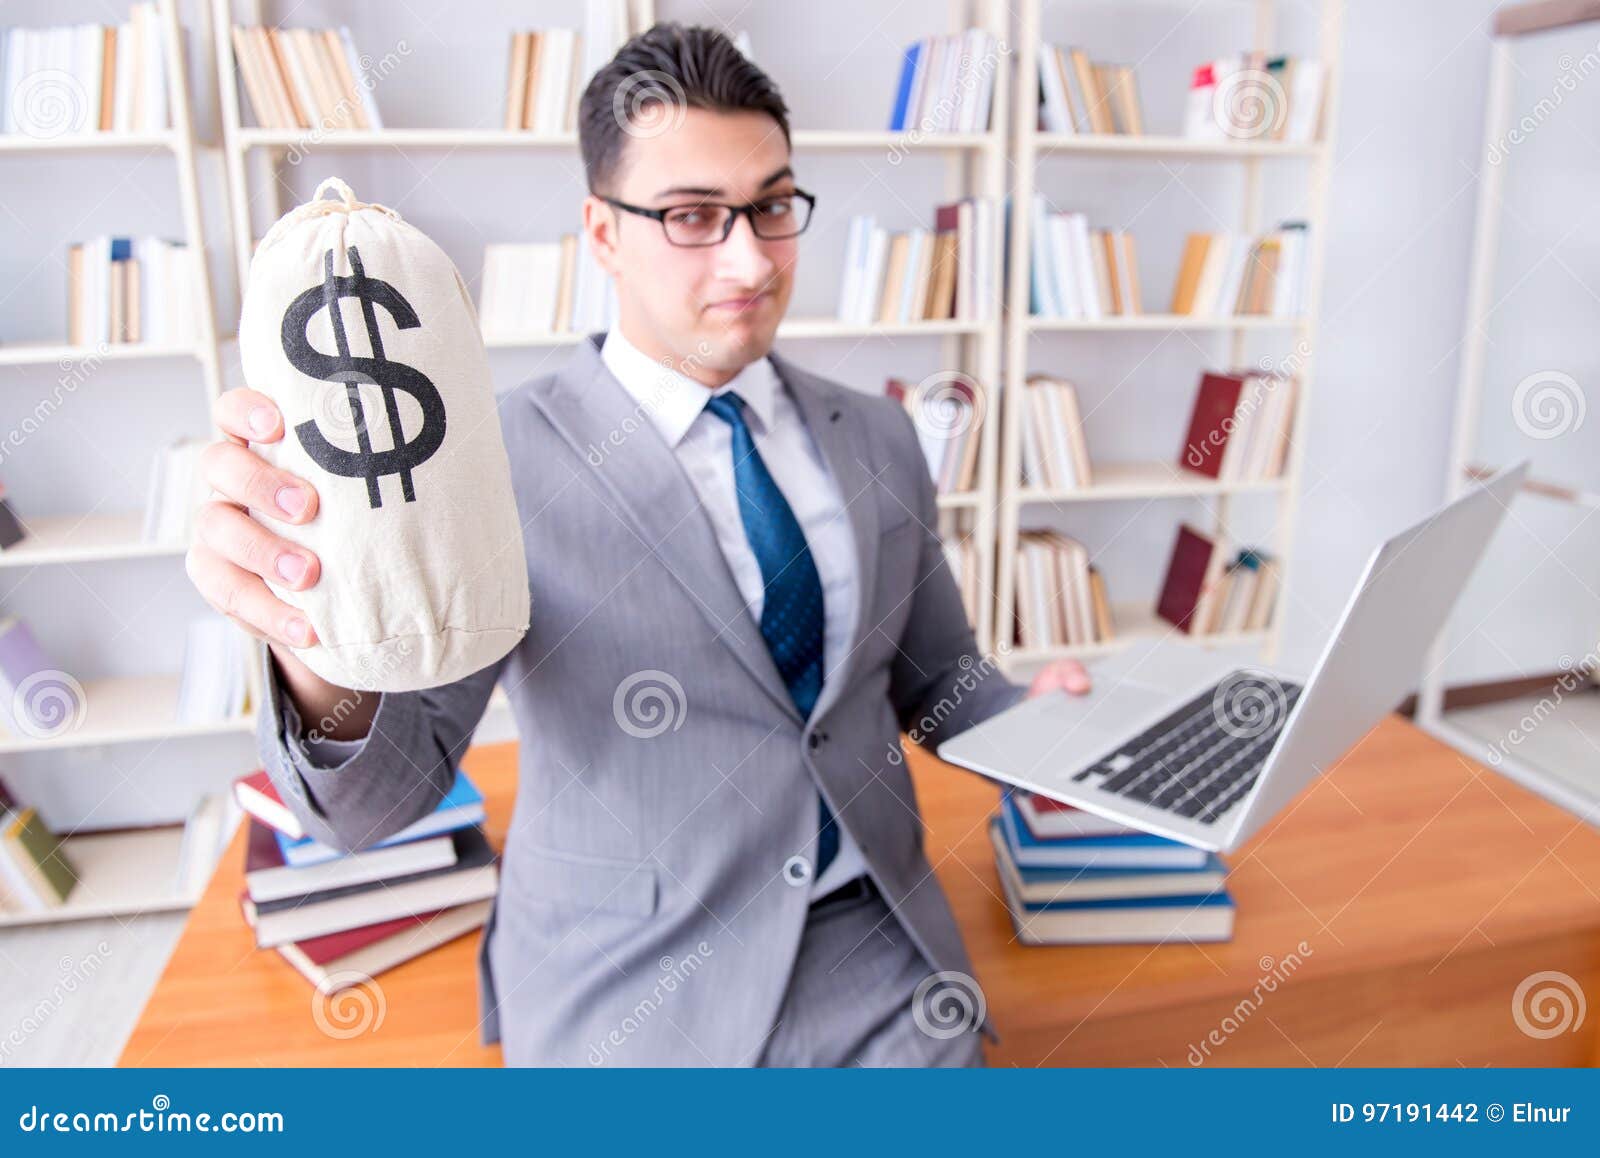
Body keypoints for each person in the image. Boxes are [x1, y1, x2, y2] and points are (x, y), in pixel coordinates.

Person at [185, 22, 1092, 1067]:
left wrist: (1041, 727)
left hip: (873, 952)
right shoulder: (491, 458)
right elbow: (374, 799)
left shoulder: (881, 433)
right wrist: (309, 637)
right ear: (602, 232)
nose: (750, 258)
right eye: (693, 216)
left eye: (770, 207)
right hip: (633, 983)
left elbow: (939, 681)